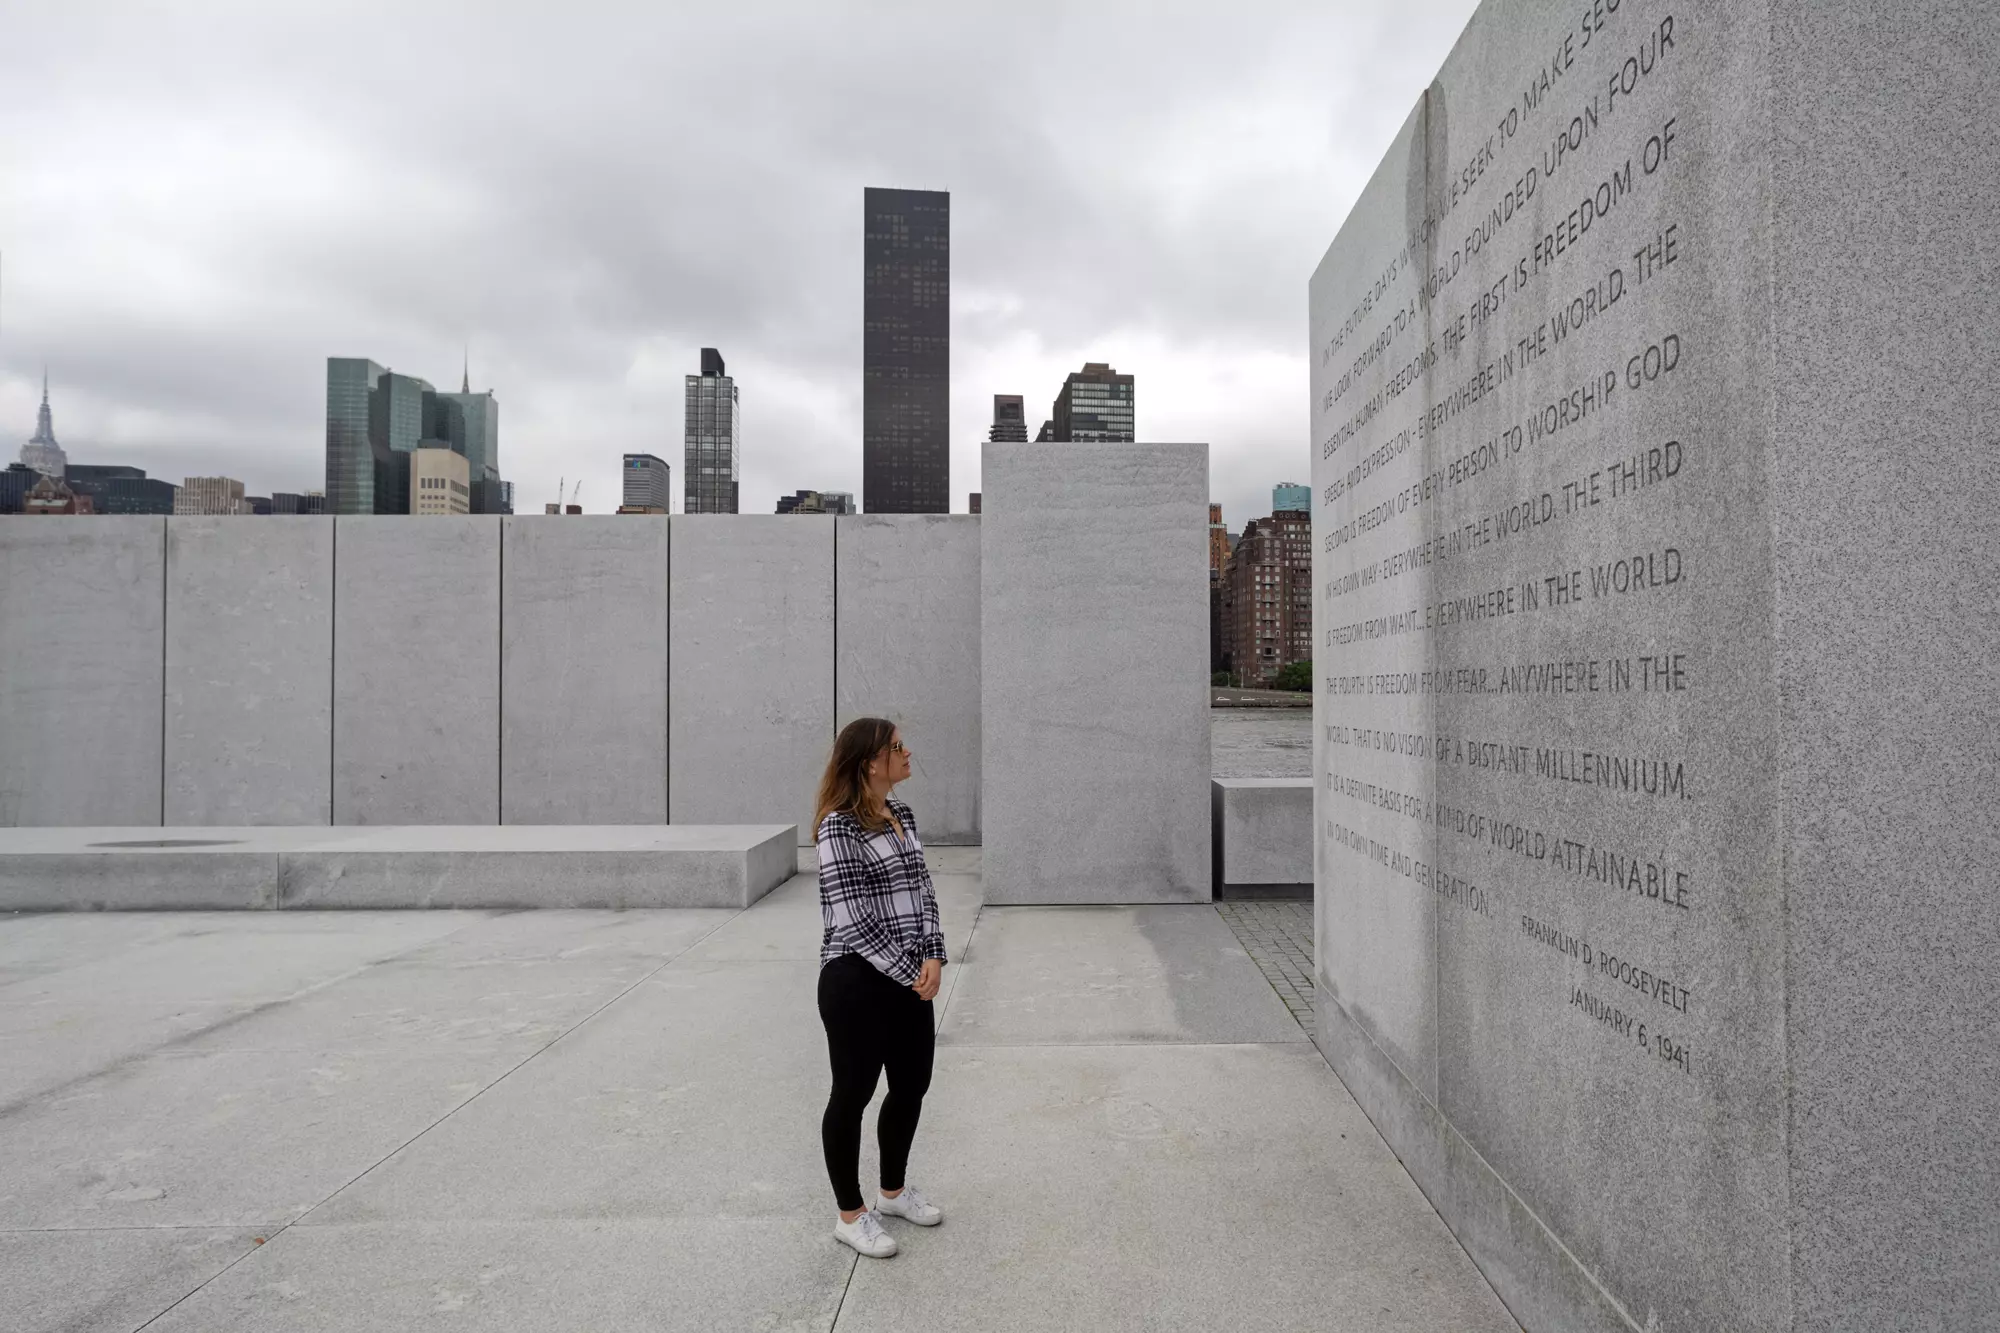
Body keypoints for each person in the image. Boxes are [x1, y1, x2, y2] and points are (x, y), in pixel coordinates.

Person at [814, 716, 947, 1259]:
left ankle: (892, 1193)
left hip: (908, 976)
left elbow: (924, 889)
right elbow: (853, 919)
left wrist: (934, 952)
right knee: (853, 1094)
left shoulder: (902, 814)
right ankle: (851, 1215)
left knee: (912, 1084)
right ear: (871, 762)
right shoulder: (837, 827)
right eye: (896, 747)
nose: (907, 752)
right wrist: (910, 969)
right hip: (854, 981)